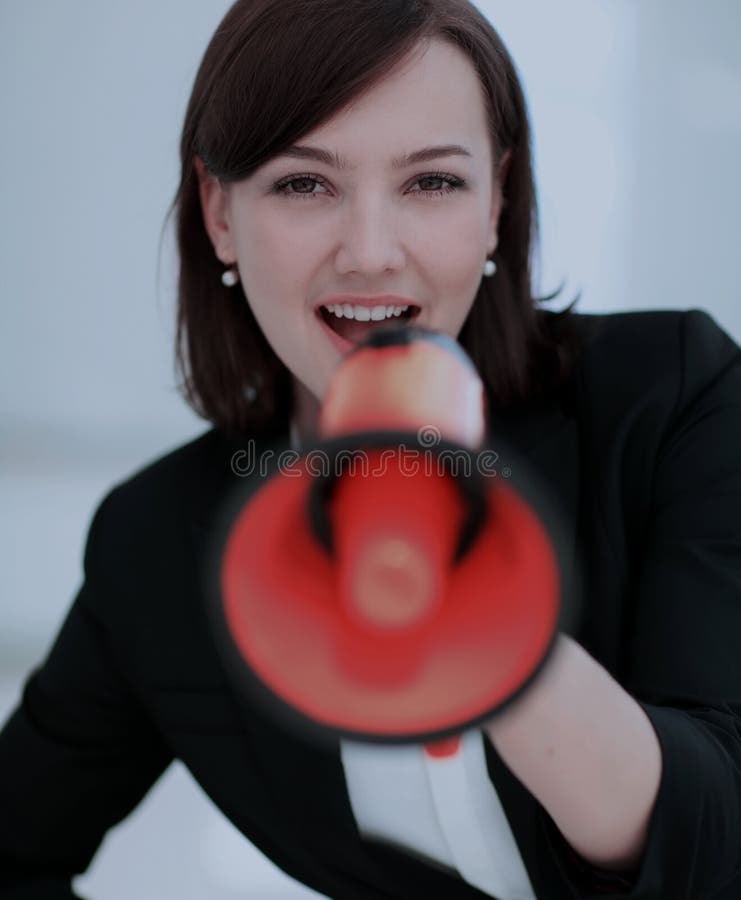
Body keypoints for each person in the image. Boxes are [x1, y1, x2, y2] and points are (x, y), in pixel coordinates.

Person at [1, 1, 740, 898]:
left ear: (497, 200)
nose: (370, 253)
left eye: (430, 183)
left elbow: (721, 832)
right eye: (304, 184)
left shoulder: (672, 396)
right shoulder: (156, 541)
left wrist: (491, 640)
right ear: (220, 213)